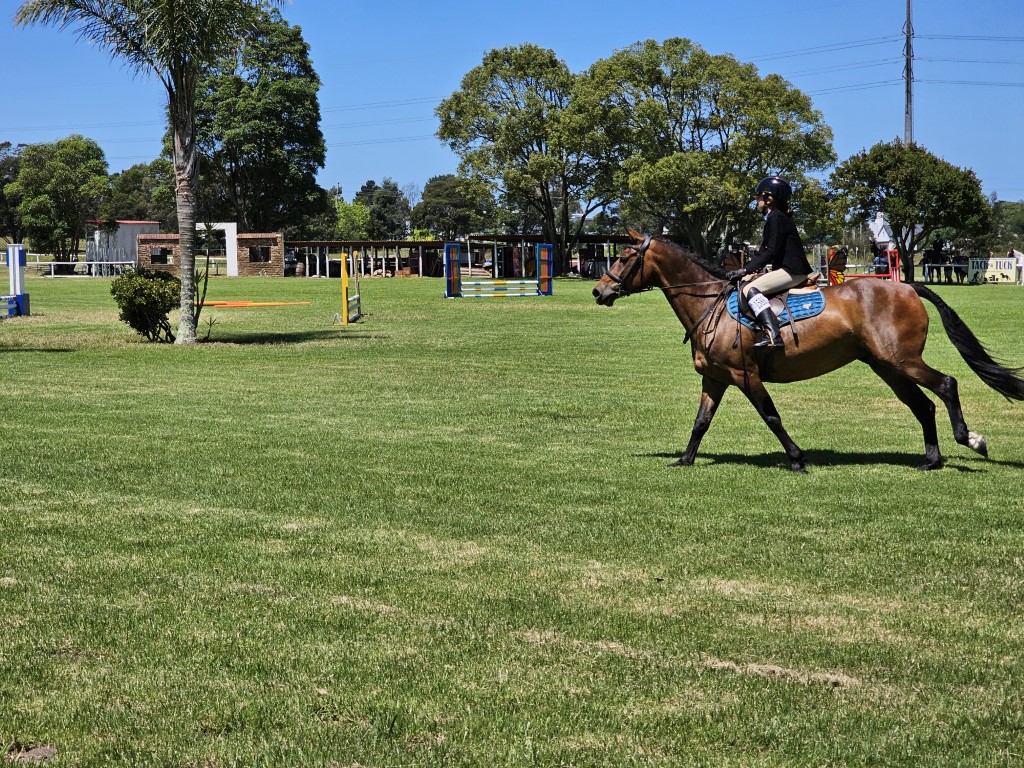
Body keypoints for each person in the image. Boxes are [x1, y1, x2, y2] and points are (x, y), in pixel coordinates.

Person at [725, 176, 813, 348]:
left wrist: (744, 271)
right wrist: (748, 270)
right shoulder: (776, 217)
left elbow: (770, 252)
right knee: (748, 282)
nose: (757, 201)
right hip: (787, 269)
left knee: (751, 289)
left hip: (792, 271)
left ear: (769, 199)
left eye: (759, 197)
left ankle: (773, 333)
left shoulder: (776, 218)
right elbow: (764, 252)